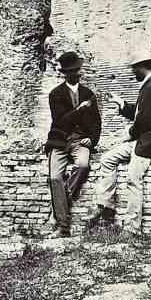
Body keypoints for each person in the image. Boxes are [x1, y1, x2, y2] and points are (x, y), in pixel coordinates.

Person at [86, 53, 151, 233]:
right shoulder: (149, 85)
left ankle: (132, 228)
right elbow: (140, 113)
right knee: (107, 159)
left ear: (142, 67)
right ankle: (106, 207)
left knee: (133, 180)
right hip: (142, 141)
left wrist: (128, 133)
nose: (133, 73)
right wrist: (121, 103)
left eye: (134, 69)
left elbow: (146, 121)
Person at [41, 50, 101, 236]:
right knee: (54, 178)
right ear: (64, 74)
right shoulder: (55, 94)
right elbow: (61, 121)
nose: (74, 74)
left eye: (76, 70)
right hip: (59, 141)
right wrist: (80, 109)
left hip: (80, 141)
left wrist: (92, 139)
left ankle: (61, 206)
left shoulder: (88, 94)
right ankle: (63, 227)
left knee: (82, 166)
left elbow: (97, 122)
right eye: (70, 71)